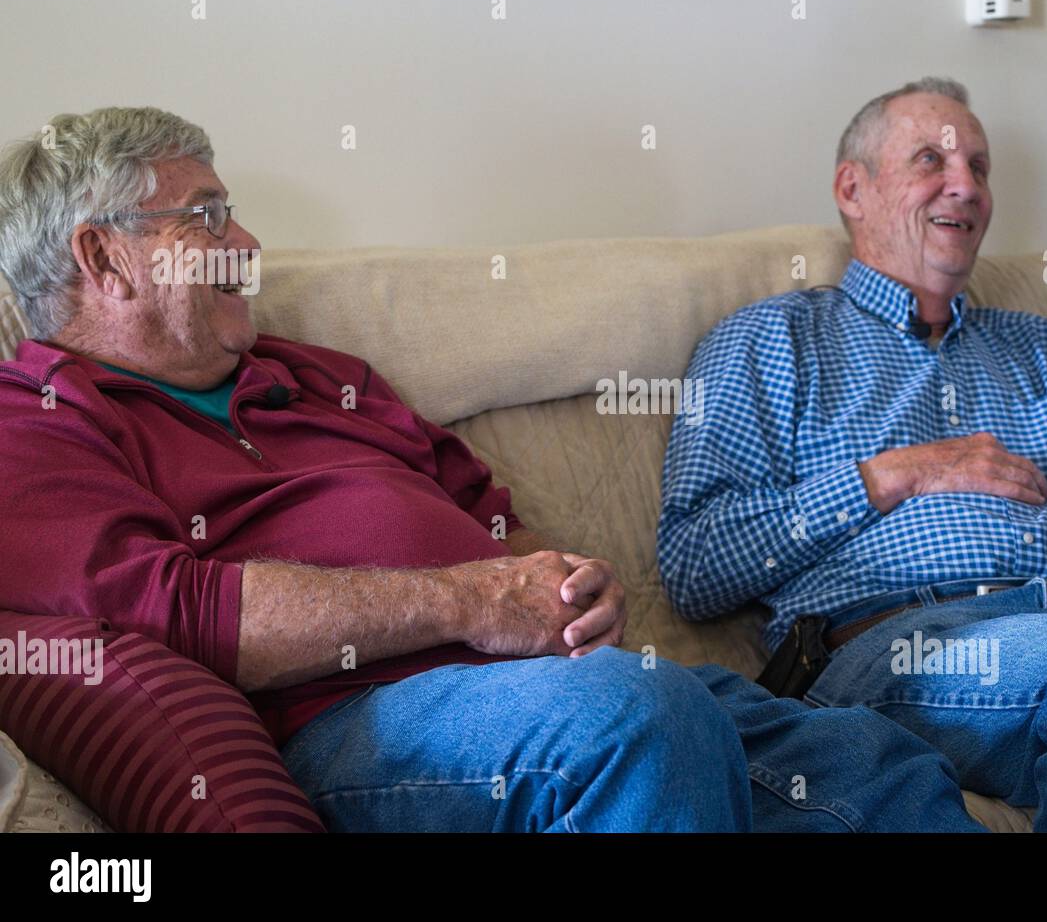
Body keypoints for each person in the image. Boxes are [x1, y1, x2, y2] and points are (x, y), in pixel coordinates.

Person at [0, 106, 985, 832]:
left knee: (877, 764)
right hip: (352, 722)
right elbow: (168, 610)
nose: (248, 246)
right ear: (106, 259)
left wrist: (560, 584)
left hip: (554, 681)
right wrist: (468, 604)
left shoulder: (317, 377)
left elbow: (486, 514)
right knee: (631, 714)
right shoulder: (39, 417)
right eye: (205, 220)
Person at [658, 76, 1047, 831]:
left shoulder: (1046, 348)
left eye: (980, 169)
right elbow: (695, 564)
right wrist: (896, 474)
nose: (966, 187)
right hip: (911, 647)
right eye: (932, 160)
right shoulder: (771, 342)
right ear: (852, 189)